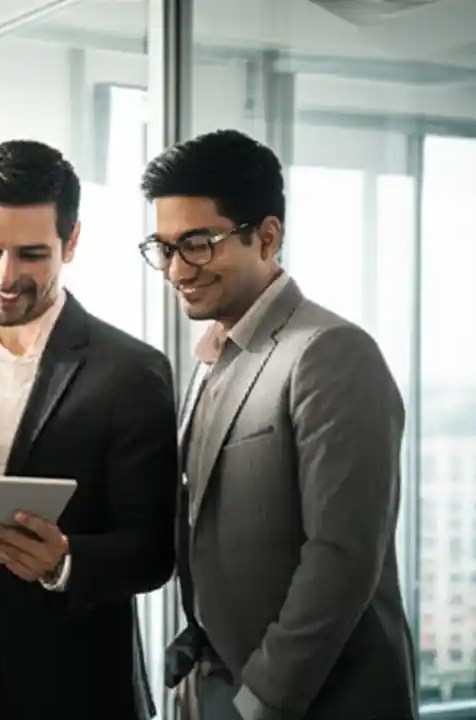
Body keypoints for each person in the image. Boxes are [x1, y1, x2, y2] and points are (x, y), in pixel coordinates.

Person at [0, 139, 179, 719]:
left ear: (71, 243)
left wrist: (64, 562)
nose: (5, 275)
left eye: (31, 254)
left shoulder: (131, 372)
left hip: (80, 692)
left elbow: (153, 551)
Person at [143, 129, 415, 720]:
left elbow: (342, 557)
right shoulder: (214, 356)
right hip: (221, 686)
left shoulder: (332, 353)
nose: (175, 270)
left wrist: (259, 701)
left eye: (197, 243)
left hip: (317, 701)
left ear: (267, 237)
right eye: (163, 247)